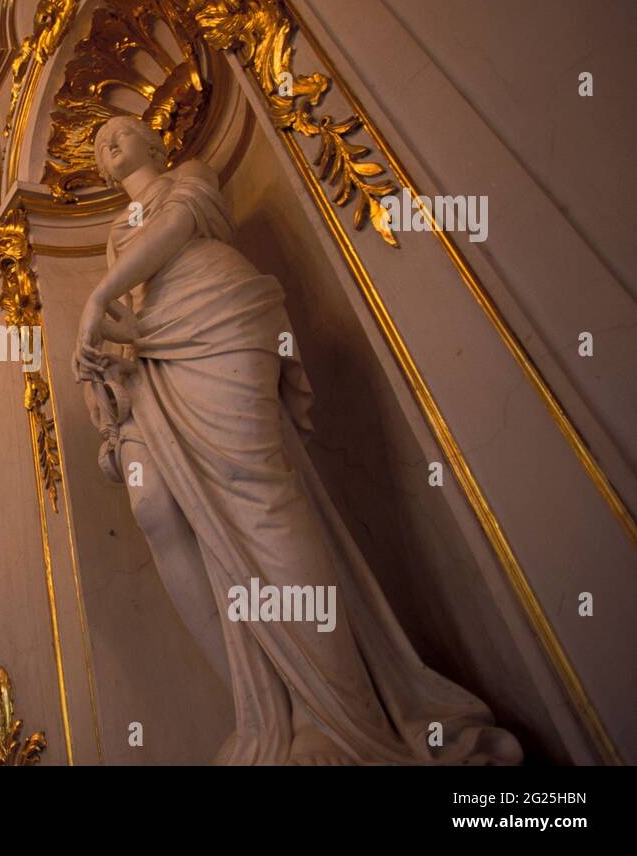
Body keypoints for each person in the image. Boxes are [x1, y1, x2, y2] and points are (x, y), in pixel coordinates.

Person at [72, 115, 522, 765]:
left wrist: (102, 297)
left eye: (120, 130)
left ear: (157, 142)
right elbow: (125, 311)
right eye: (96, 142)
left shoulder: (188, 181)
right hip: (152, 361)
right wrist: (103, 358)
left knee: (259, 499)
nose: (106, 142)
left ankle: (333, 714)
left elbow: (173, 235)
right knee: (157, 510)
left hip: (215, 316)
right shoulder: (116, 233)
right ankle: (265, 711)